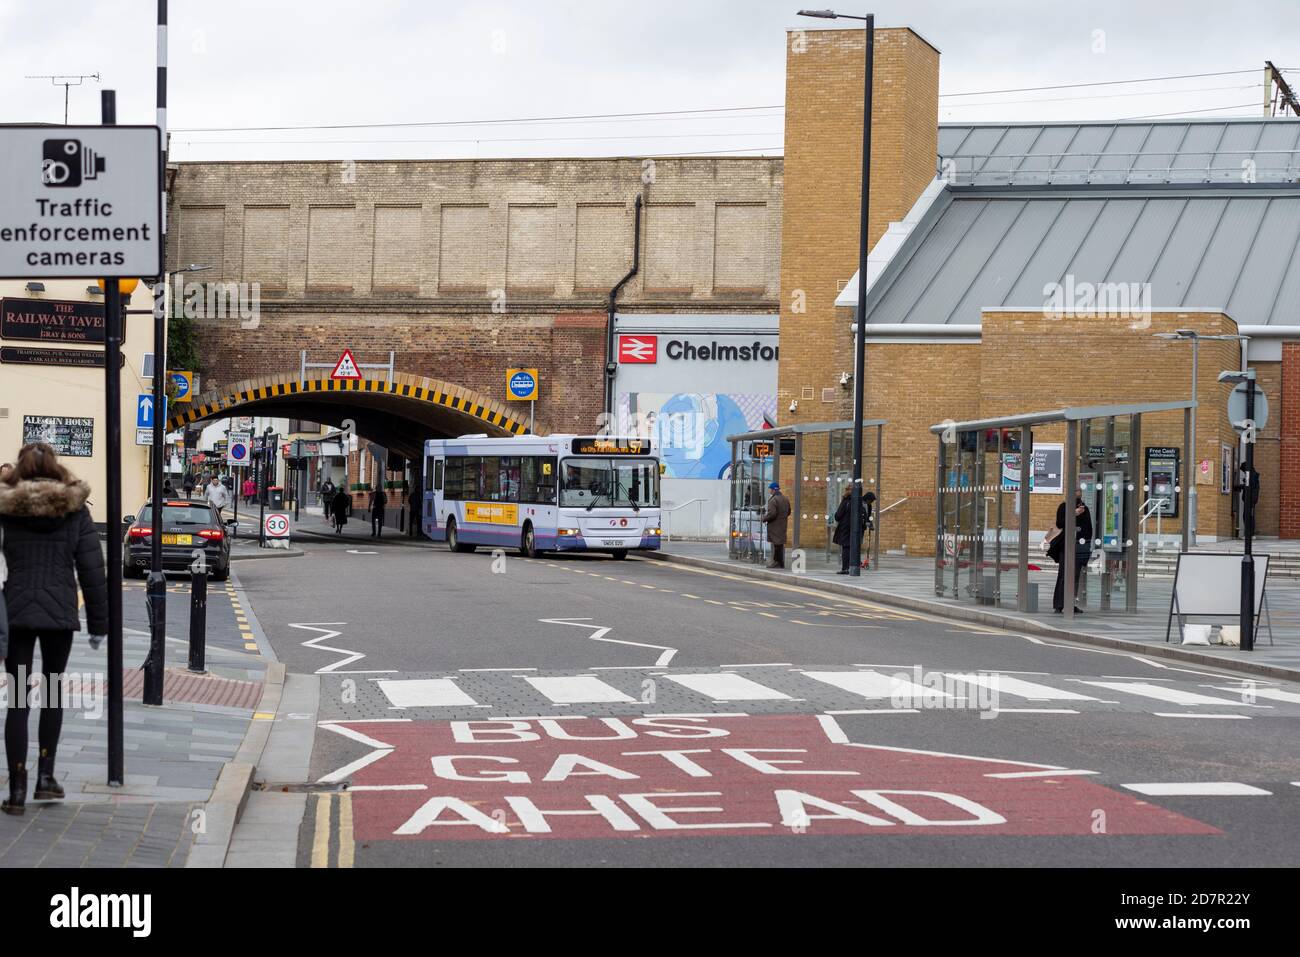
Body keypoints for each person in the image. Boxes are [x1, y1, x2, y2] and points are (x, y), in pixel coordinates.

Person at [0, 443, 108, 815]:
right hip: (60, 612)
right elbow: (92, 571)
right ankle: (46, 776)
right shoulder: (74, 509)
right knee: (54, 690)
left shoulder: (6, 508)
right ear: (55, 467)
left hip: (14, 611)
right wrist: (99, 623)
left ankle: (16, 788)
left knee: (16, 699)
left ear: (20, 470)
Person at [1044, 492, 1094, 614]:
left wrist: (1087, 545)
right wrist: (1074, 513)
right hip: (1066, 546)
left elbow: (1088, 528)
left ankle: (1071, 604)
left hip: (1079, 546)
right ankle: (1059, 604)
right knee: (1063, 574)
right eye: (1076, 491)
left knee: (1075, 576)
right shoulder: (1063, 507)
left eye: (1080, 492)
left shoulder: (1085, 509)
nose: (1079, 494)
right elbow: (1060, 523)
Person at [832, 487, 876, 574]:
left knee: (846, 547)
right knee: (854, 546)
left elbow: (838, 516)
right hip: (857, 528)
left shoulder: (846, 501)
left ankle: (845, 568)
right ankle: (853, 565)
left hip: (846, 527)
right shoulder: (859, 502)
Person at [761, 481, 791, 569]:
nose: (769, 491)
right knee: (780, 544)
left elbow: (772, 513)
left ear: (773, 490)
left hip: (775, 525)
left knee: (777, 544)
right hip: (783, 524)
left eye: (770, 489)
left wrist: (764, 519)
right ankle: (780, 562)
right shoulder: (785, 499)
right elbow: (789, 511)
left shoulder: (773, 500)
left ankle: (776, 562)